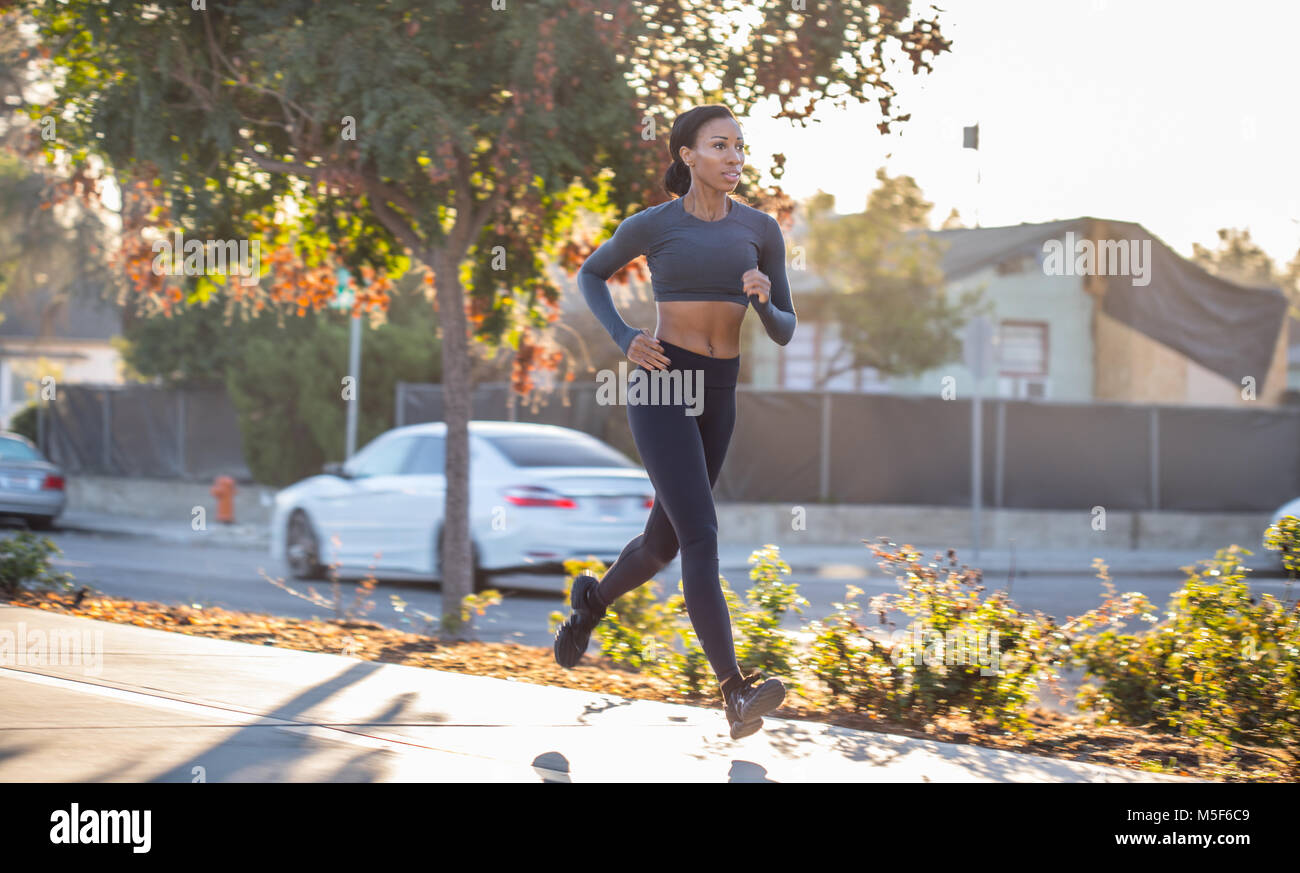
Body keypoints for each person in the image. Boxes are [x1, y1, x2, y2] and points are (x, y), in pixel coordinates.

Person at [553, 104, 797, 740]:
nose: (735, 157)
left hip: (720, 390)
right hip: (664, 379)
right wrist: (623, 337)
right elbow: (592, 273)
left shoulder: (761, 230)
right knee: (701, 535)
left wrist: (764, 300)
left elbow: (786, 330)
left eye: (740, 146)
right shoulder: (654, 224)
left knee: (663, 544)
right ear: (687, 155)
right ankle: (735, 693)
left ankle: (590, 604)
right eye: (720, 145)